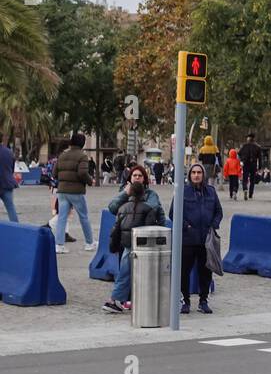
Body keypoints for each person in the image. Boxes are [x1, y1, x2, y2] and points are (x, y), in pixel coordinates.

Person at [102, 165, 166, 314]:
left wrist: (134, 198)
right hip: (126, 240)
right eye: (134, 175)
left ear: (144, 179)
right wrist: (125, 193)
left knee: (136, 271)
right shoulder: (124, 193)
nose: (137, 178)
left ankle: (121, 299)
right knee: (126, 271)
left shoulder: (151, 194)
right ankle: (122, 299)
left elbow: (152, 209)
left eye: (140, 176)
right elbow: (112, 208)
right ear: (130, 178)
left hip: (145, 240)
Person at [180, 162, 222, 314]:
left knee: (205, 272)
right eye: (193, 173)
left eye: (199, 172)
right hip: (188, 239)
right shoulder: (183, 192)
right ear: (189, 175)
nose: (196, 175)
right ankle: (185, 301)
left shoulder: (211, 191)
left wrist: (213, 225)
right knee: (184, 272)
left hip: (206, 240)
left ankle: (203, 301)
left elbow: (218, 212)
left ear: (203, 175)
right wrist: (186, 226)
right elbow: (174, 213)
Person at [54, 134, 96, 253]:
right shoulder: (82, 156)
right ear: (82, 144)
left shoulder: (62, 155)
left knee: (62, 218)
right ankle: (89, 243)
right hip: (76, 191)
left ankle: (59, 245)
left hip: (62, 191)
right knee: (83, 216)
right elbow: (82, 173)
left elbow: (54, 173)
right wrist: (90, 181)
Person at [238, 132, 262, 200]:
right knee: (252, 180)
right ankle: (250, 194)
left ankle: (245, 189)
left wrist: (242, 159)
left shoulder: (244, 146)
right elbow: (260, 158)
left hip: (246, 164)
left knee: (245, 178)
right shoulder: (258, 147)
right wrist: (260, 167)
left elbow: (239, 153)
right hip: (253, 164)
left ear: (248, 138)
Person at [0, 139, 19, 222]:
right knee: (11, 208)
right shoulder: (9, 152)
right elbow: (12, 168)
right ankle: (16, 227)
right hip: (7, 183)